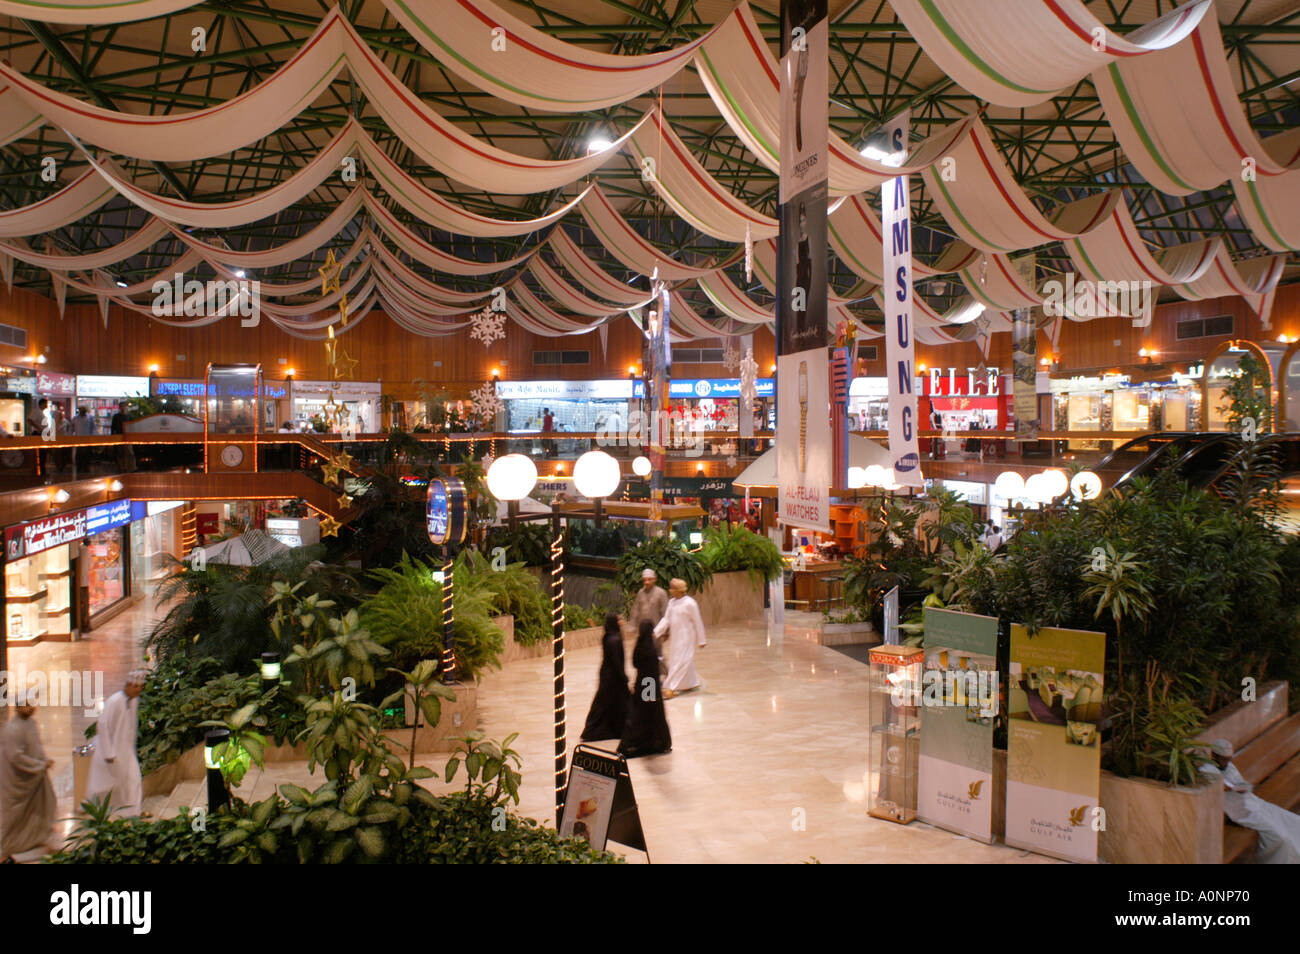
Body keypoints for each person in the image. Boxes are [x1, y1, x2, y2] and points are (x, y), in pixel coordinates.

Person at [1201, 739, 1300, 864]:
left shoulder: (1228, 766)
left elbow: (1240, 783)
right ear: (1214, 755)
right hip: (1238, 810)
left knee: (1294, 822)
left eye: (1228, 759)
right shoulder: (1207, 770)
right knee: (1281, 838)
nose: (1226, 762)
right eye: (1223, 759)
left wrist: (1241, 787)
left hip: (1252, 802)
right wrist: (1237, 788)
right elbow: (1224, 787)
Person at [0, 691, 56, 863]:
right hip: (18, 780)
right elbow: (16, 757)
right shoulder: (12, 729)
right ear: (18, 707)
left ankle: (33, 840)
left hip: (35, 777)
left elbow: (36, 747)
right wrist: (39, 765)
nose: (32, 708)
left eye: (33, 705)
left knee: (45, 805)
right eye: (27, 705)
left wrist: (43, 761)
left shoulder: (31, 723)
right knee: (14, 814)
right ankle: (9, 846)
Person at [86, 671, 146, 817]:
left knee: (134, 778)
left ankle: (134, 811)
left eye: (141, 687)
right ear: (129, 685)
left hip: (126, 750)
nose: (139, 690)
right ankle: (96, 810)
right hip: (112, 751)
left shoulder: (134, 700)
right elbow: (103, 726)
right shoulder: (114, 701)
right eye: (136, 686)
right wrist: (109, 753)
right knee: (103, 784)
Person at [618, 619, 671, 759]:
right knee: (651, 715)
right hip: (650, 687)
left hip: (642, 684)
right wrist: (654, 694)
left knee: (638, 714)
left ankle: (633, 743)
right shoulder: (651, 649)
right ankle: (653, 742)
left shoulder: (639, 645)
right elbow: (653, 673)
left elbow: (635, 663)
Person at [654, 578, 708, 698]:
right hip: (676, 636)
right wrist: (656, 632)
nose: (670, 590)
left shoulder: (690, 603)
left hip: (687, 637)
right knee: (679, 660)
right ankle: (691, 682)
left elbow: (697, 621)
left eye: (672, 588)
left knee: (681, 661)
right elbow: (666, 619)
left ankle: (671, 687)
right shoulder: (672, 602)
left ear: (678, 590)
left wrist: (701, 639)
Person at [580, 614, 630, 742]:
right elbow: (616, 662)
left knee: (607, 703)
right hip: (613, 678)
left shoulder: (608, 637)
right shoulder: (614, 640)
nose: (621, 623)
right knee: (610, 703)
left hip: (607, 676)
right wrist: (623, 677)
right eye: (619, 620)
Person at [630, 568, 668, 676]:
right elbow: (636, 610)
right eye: (645, 580)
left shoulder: (661, 593)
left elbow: (665, 613)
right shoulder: (641, 593)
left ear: (654, 579)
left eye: (649, 579)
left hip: (656, 630)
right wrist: (633, 626)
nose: (647, 582)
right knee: (643, 654)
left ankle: (665, 675)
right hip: (643, 632)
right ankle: (645, 676)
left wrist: (665, 631)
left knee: (657, 654)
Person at [110, 400, 135, 472]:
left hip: (127, 436)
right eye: (122, 406)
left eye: (124, 406)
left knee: (129, 452)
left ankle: (130, 467)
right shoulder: (117, 416)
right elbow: (113, 427)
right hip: (119, 436)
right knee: (120, 452)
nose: (123, 408)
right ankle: (121, 467)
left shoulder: (129, 416)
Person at [70, 405, 93, 476]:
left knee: (87, 454)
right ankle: (79, 467)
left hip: (87, 438)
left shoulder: (90, 417)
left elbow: (93, 427)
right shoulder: (75, 418)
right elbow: (72, 428)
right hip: (78, 438)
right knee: (79, 454)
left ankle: (86, 467)